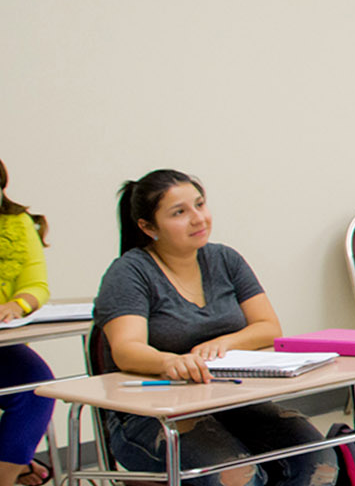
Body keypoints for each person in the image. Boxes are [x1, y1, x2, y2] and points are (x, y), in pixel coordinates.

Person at [94, 170, 337, 486]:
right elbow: (127, 350)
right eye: (180, 212)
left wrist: (227, 342)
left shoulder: (226, 259)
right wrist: (171, 361)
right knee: (238, 477)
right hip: (152, 414)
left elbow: (268, 328)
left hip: (229, 403)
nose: (198, 219)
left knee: (319, 462)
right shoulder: (129, 273)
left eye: (199, 204)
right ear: (148, 227)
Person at [0, 160, 53, 486]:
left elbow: (37, 287)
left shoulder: (17, 223)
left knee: (37, 385)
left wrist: (16, 305)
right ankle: (21, 465)